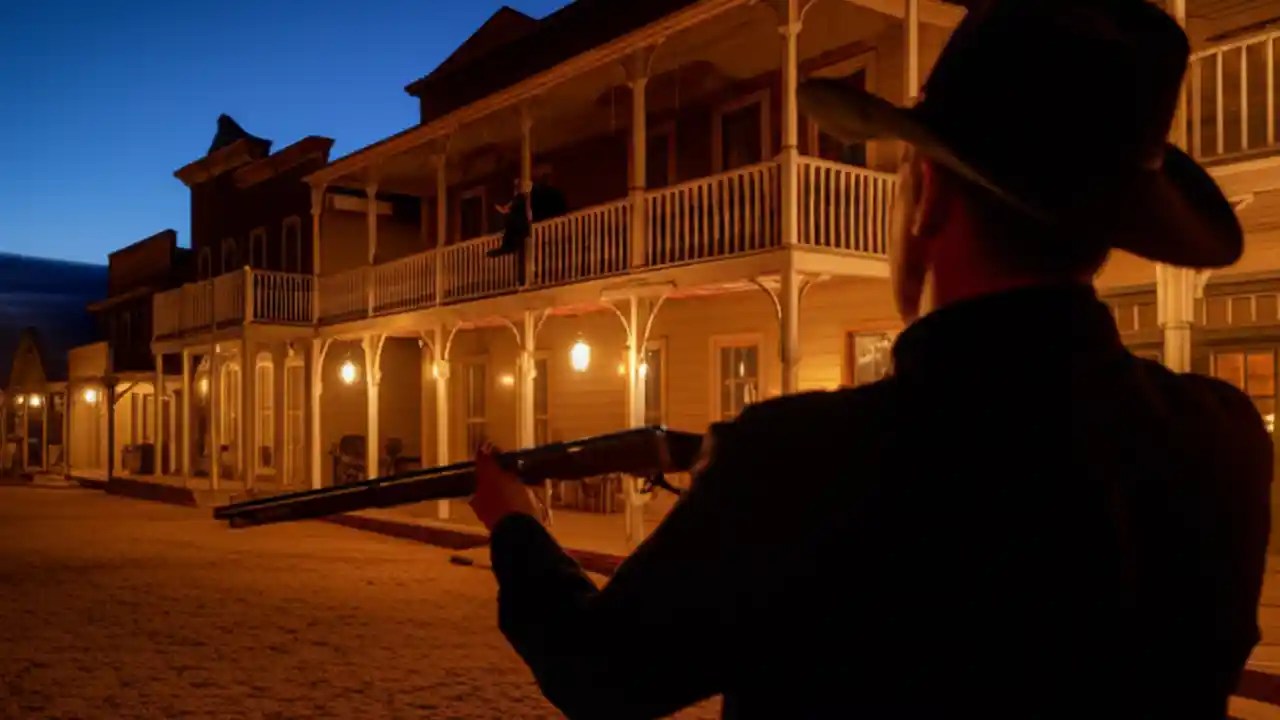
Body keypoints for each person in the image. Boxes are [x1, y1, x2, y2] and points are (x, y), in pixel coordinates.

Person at [470, 1, 1272, 717]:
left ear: (926, 193)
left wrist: (515, 523)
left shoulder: (799, 458)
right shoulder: (1223, 439)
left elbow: (600, 673)